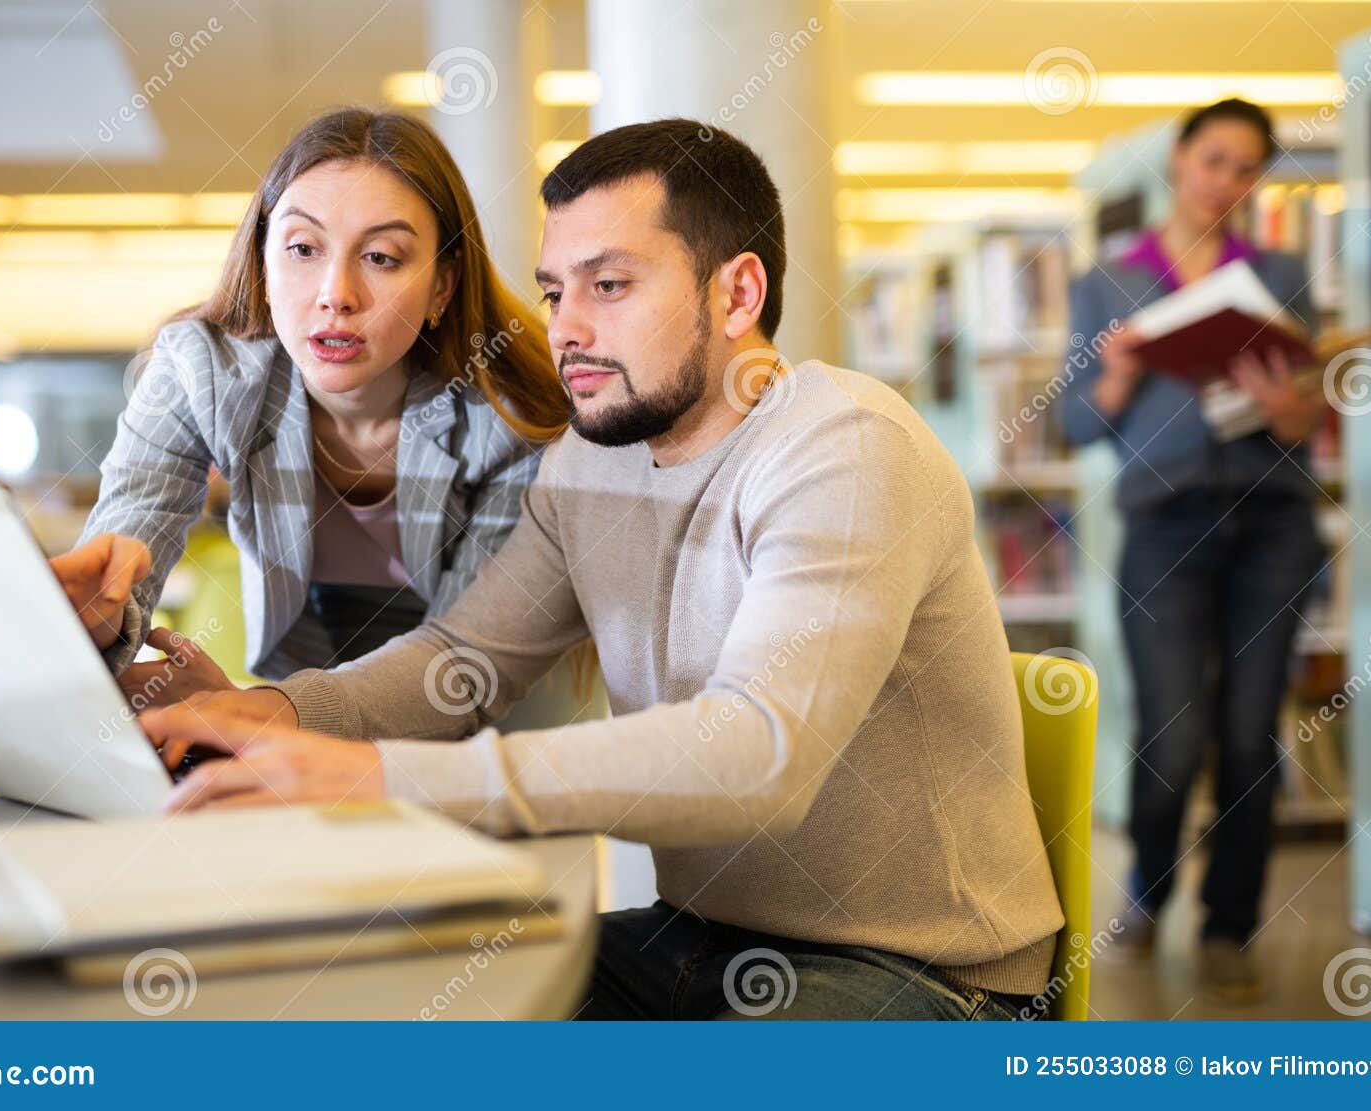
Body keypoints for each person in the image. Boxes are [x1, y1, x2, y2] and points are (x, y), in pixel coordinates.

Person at [134, 119, 1064, 1021]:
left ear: (737, 295)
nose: (566, 328)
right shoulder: (593, 462)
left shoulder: (844, 450)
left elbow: (758, 752)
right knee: (403, 1011)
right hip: (699, 935)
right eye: (553, 292)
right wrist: (284, 713)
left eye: (609, 285)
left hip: (930, 971)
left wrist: (374, 776)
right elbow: (463, 659)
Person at [50, 108, 568, 702]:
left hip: (493, 722)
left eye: (381, 257)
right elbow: (129, 530)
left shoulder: (508, 419)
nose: (335, 295)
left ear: (442, 286)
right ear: (263, 263)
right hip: (305, 693)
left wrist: (266, 711)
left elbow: (460, 669)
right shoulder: (200, 372)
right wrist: (100, 607)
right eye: (303, 248)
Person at [1059, 98, 1327, 1003]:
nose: (1228, 181)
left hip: (1273, 525)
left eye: (1247, 169)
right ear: (1177, 159)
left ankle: (1227, 925)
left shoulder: (1280, 271)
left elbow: (1307, 412)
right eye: (1215, 159)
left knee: (1248, 733)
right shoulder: (1109, 281)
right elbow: (1073, 422)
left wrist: (1294, 410)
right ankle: (1150, 888)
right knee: (1171, 735)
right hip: (1165, 525)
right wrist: (1121, 373)